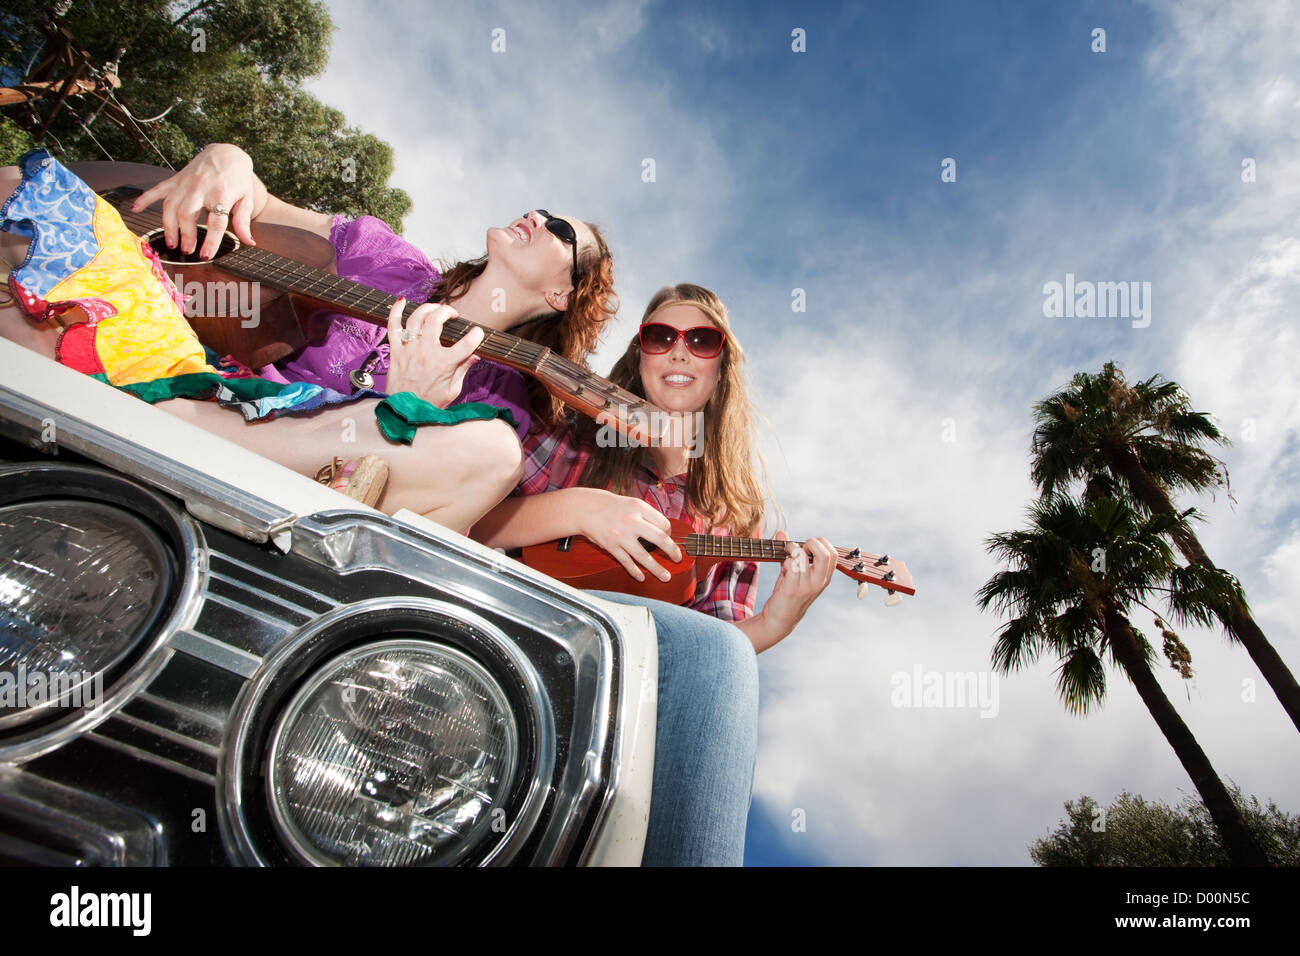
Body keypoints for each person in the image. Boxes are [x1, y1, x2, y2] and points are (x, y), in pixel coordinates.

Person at [0, 144, 616, 532]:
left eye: (561, 229)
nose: (538, 215)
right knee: (25, 197)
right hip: (215, 391)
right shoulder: (391, 258)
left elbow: (442, 506)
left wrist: (404, 406)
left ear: (564, 295)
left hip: (301, 467)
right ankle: (146, 417)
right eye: (545, 208)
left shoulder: (501, 398)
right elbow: (262, 205)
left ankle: (135, 421)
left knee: (493, 454)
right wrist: (228, 159)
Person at [471, 283, 837, 863]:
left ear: (724, 371)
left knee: (722, 655)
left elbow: (707, 660)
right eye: (660, 336)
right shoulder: (571, 438)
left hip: (620, 690)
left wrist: (775, 620)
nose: (679, 350)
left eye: (702, 340)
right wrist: (579, 508)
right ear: (639, 357)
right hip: (515, 629)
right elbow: (463, 523)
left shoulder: (734, 516)